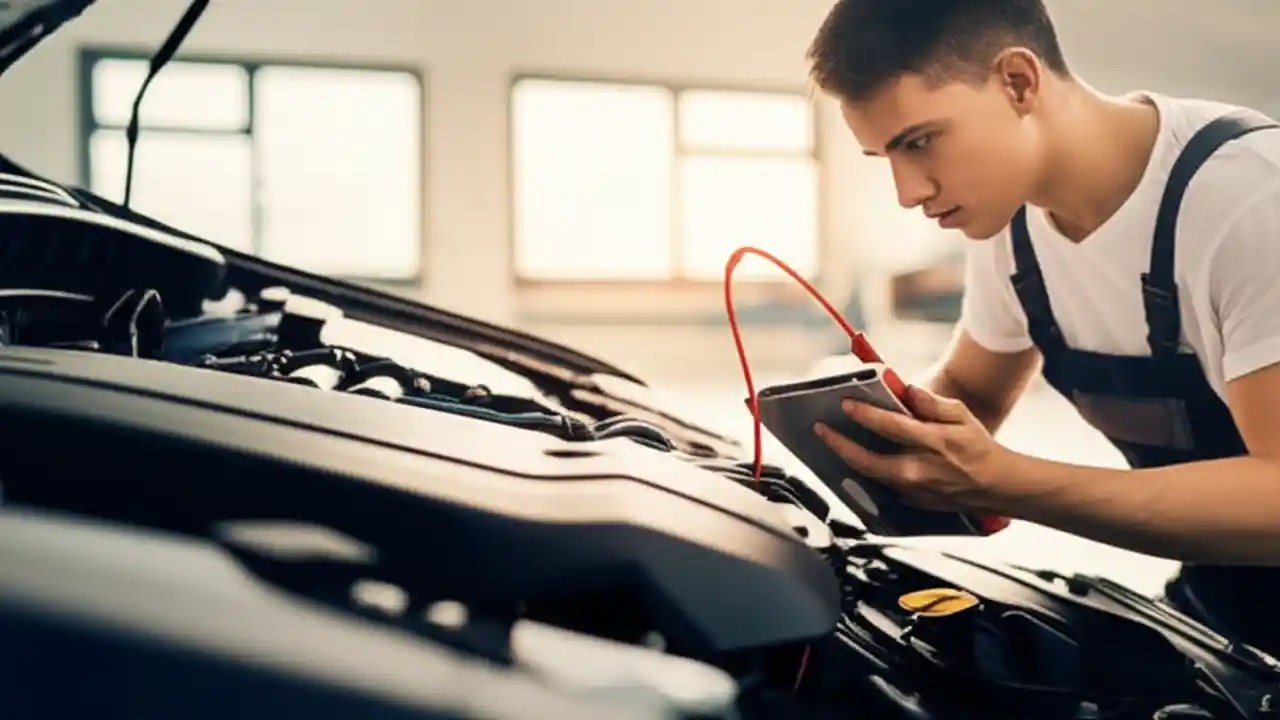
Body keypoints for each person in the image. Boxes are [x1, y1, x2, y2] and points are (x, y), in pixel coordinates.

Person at [803, 0, 1280, 658]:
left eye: (919, 142)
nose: (907, 191)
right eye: (883, 155)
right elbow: (973, 391)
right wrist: (858, 441)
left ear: (1018, 82)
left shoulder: (1249, 202)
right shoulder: (1013, 224)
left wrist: (1005, 480)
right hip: (1227, 602)